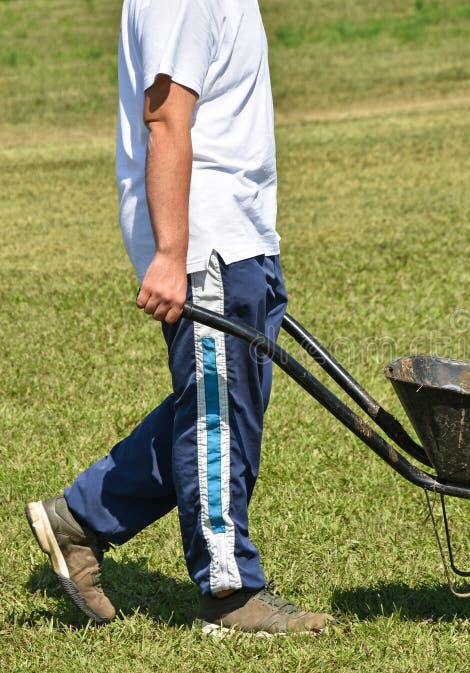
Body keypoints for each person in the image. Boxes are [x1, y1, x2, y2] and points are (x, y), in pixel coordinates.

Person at [25, 0, 335, 636]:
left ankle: (77, 522)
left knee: (216, 409)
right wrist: (171, 254)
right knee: (217, 419)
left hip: (238, 235)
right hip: (205, 243)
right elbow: (165, 119)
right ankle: (230, 593)